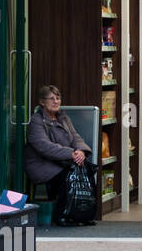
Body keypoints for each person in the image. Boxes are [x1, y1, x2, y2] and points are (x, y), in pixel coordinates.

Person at [25, 85, 96, 227]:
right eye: (51, 99)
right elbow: (45, 147)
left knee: (87, 171)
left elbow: (76, 138)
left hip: (62, 160)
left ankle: (82, 213)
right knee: (67, 175)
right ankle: (62, 215)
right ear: (42, 102)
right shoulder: (36, 121)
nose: (56, 101)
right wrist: (71, 154)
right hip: (42, 164)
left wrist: (81, 151)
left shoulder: (63, 118)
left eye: (58, 98)